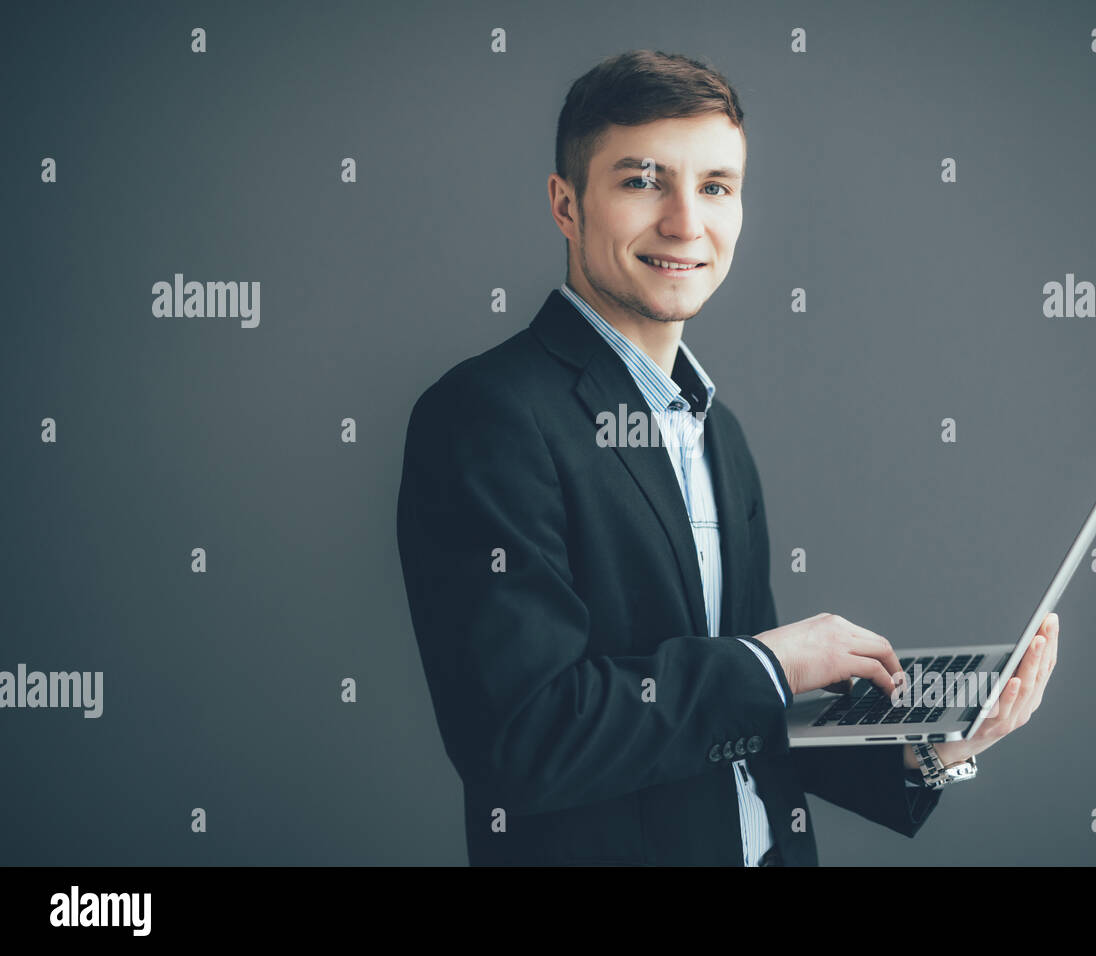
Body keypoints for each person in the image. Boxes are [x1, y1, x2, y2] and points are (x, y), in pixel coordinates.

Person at [396, 49, 1059, 866]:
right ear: (565, 205)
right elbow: (527, 737)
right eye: (642, 181)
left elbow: (741, 721)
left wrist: (937, 746)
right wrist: (771, 661)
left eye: (715, 187)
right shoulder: (487, 415)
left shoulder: (716, 429)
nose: (685, 223)